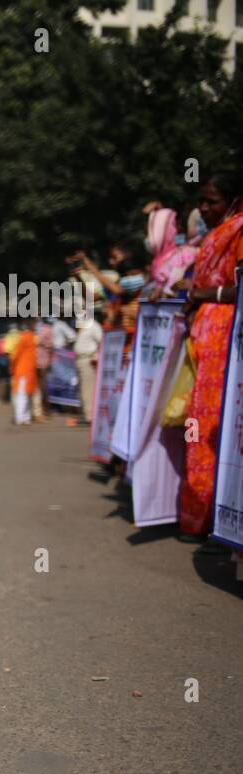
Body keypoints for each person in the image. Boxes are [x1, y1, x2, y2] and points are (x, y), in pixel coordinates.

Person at [177, 172, 243, 549]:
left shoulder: (237, 232)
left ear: (233, 202)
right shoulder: (214, 235)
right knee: (195, 424)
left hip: (226, 340)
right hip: (204, 337)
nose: (203, 208)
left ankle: (215, 515)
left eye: (212, 200)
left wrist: (204, 293)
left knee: (216, 428)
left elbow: (240, 287)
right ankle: (197, 513)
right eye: (201, 200)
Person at [11, 322, 38, 426]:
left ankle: (19, 418)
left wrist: (12, 368)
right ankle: (26, 417)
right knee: (27, 395)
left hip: (22, 370)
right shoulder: (32, 337)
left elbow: (16, 355)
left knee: (21, 395)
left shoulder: (23, 338)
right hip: (30, 370)